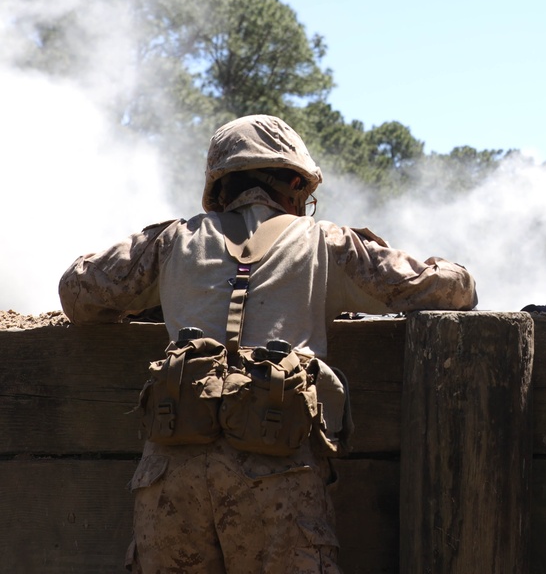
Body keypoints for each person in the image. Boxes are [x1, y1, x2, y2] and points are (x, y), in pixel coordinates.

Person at [59, 114, 478, 573]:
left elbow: (79, 293)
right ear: (295, 182)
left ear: (221, 184)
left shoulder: (170, 240)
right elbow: (445, 289)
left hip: (170, 472)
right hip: (277, 471)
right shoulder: (328, 242)